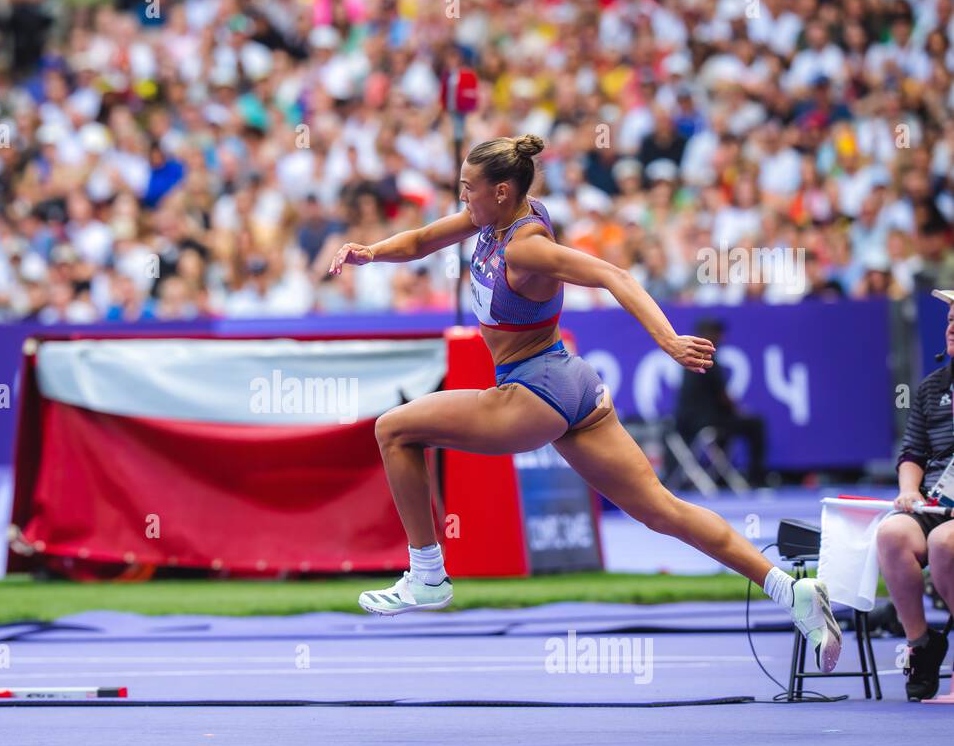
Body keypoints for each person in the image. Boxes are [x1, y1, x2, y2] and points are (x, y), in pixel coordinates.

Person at [328, 134, 842, 672]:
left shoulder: (526, 248)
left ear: (502, 192)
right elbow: (419, 241)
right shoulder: (490, 221)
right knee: (662, 511)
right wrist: (371, 252)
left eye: (468, 189)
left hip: (533, 391)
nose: (461, 198)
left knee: (393, 429)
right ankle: (790, 591)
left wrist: (667, 341)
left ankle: (428, 575)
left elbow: (612, 275)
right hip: (574, 387)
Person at [875, 290, 954, 700]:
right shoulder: (929, 388)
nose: (952, 326)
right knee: (892, 534)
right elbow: (912, 453)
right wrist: (908, 491)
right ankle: (923, 645)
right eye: (949, 319)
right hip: (936, 503)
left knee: (945, 543)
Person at [672, 317, 770, 488]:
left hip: (691, 421)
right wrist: (740, 412)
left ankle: (721, 479)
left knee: (730, 426)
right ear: (706, 335)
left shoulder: (690, 361)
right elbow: (723, 398)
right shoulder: (706, 361)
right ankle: (757, 478)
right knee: (755, 424)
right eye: (717, 334)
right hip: (704, 422)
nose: (721, 338)